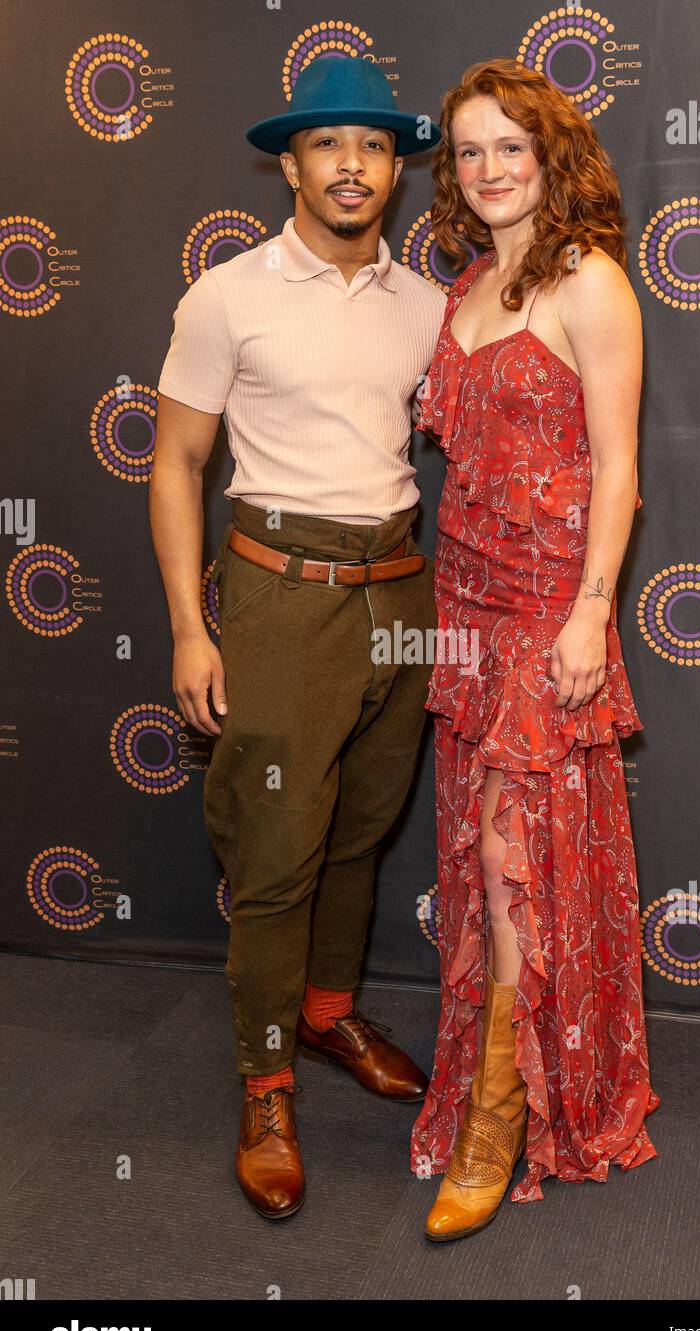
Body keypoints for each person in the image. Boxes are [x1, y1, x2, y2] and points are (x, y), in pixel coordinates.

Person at [149, 55, 447, 1219]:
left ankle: (326, 1017)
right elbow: (175, 463)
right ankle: (266, 1079)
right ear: (290, 162)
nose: (351, 165)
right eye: (327, 143)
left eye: (372, 146)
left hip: (399, 593)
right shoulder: (225, 294)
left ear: (395, 170)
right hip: (277, 597)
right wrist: (189, 625)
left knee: (364, 826)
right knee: (274, 855)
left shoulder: (425, 304)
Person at [410, 58, 661, 1241]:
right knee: (482, 855)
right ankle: (514, 1076)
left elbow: (617, 467)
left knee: (515, 864)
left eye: (509, 145)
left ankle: (500, 1119)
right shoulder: (465, 282)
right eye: (467, 150)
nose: (488, 168)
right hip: (463, 596)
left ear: (549, 155)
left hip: (545, 600)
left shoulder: (588, 280)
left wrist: (589, 612)